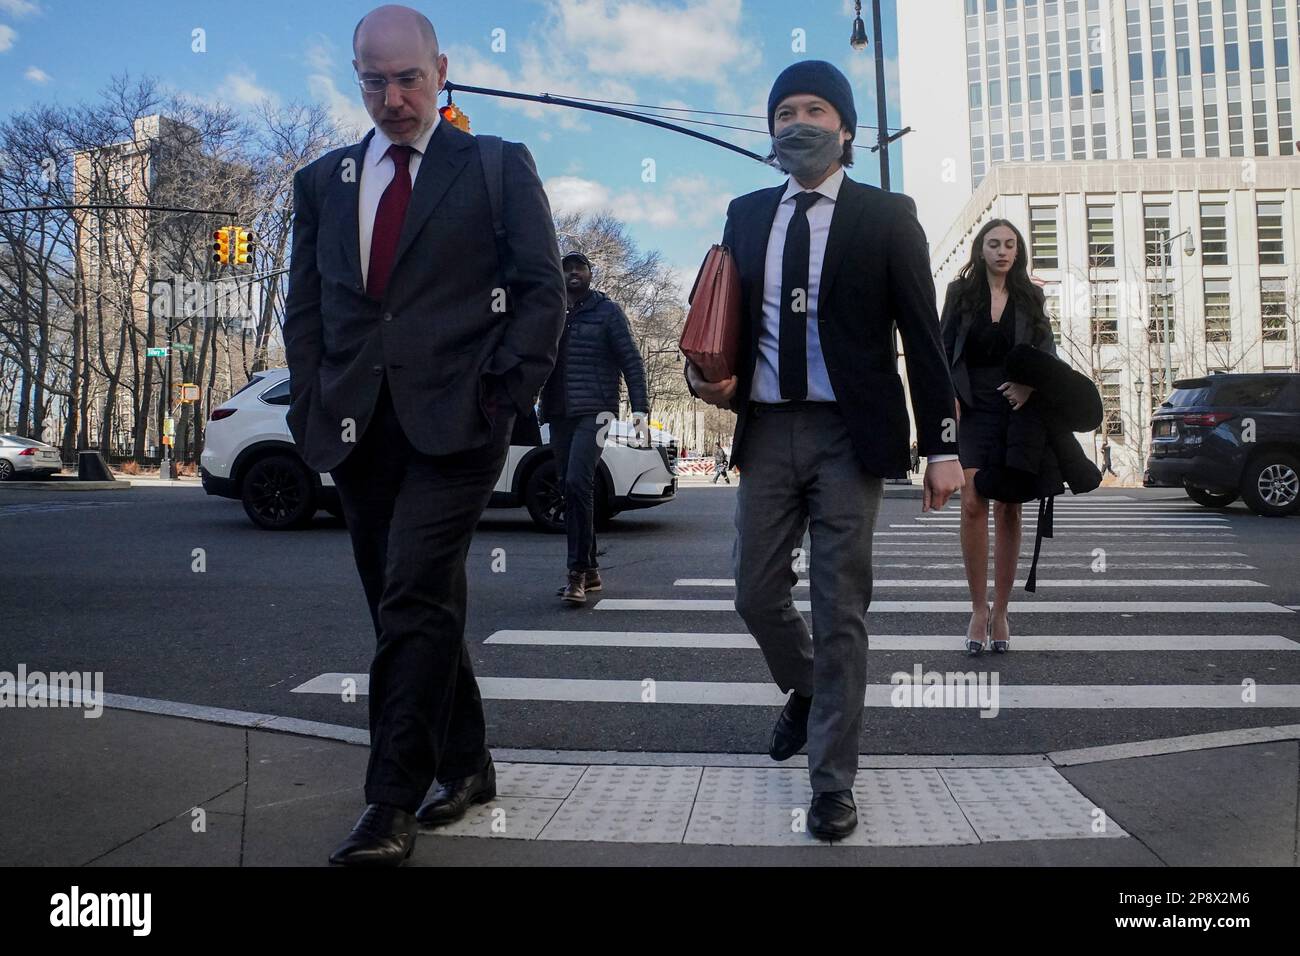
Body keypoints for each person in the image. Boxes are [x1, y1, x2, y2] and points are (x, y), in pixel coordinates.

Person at [282, 4, 564, 866]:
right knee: (411, 604)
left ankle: (389, 800)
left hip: (459, 425)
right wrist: (307, 400)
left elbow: (541, 291)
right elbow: (308, 306)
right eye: (376, 80)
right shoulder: (321, 181)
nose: (394, 97)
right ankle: (470, 762)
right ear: (356, 78)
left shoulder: (494, 165)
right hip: (356, 426)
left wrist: (502, 397)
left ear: (442, 70)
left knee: (410, 594)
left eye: (409, 78)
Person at [686, 61, 963, 841]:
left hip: (851, 433)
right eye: (783, 112)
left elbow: (923, 334)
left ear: (845, 129)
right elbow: (719, 312)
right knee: (754, 592)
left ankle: (832, 782)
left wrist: (943, 443)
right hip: (767, 428)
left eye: (814, 110)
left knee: (841, 609)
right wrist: (702, 371)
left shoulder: (886, 214)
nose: (797, 123)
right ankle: (808, 690)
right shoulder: (745, 214)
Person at [939, 219, 1057, 656]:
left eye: (1010, 244)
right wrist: (946, 398)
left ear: (1018, 251)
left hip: (1017, 408)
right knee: (972, 502)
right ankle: (976, 607)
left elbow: (1047, 352)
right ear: (981, 249)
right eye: (994, 244)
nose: (1002, 251)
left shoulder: (1032, 295)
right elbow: (941, 346)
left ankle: (1002, 610)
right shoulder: (960, 294)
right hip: (971, 407)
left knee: (1009, 508)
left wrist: (1029, 386)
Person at [540, 251, 649, 605]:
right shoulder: (551, 312)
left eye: (580, 268)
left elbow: (631, 360)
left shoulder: (608, 312)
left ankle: (576, 575)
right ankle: (590, 571)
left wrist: (640, 410)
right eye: (567, 268)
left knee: (577, 482)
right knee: (569, 488)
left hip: (598, 412)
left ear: (590, 274)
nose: (573, 273)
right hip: (559, 411)